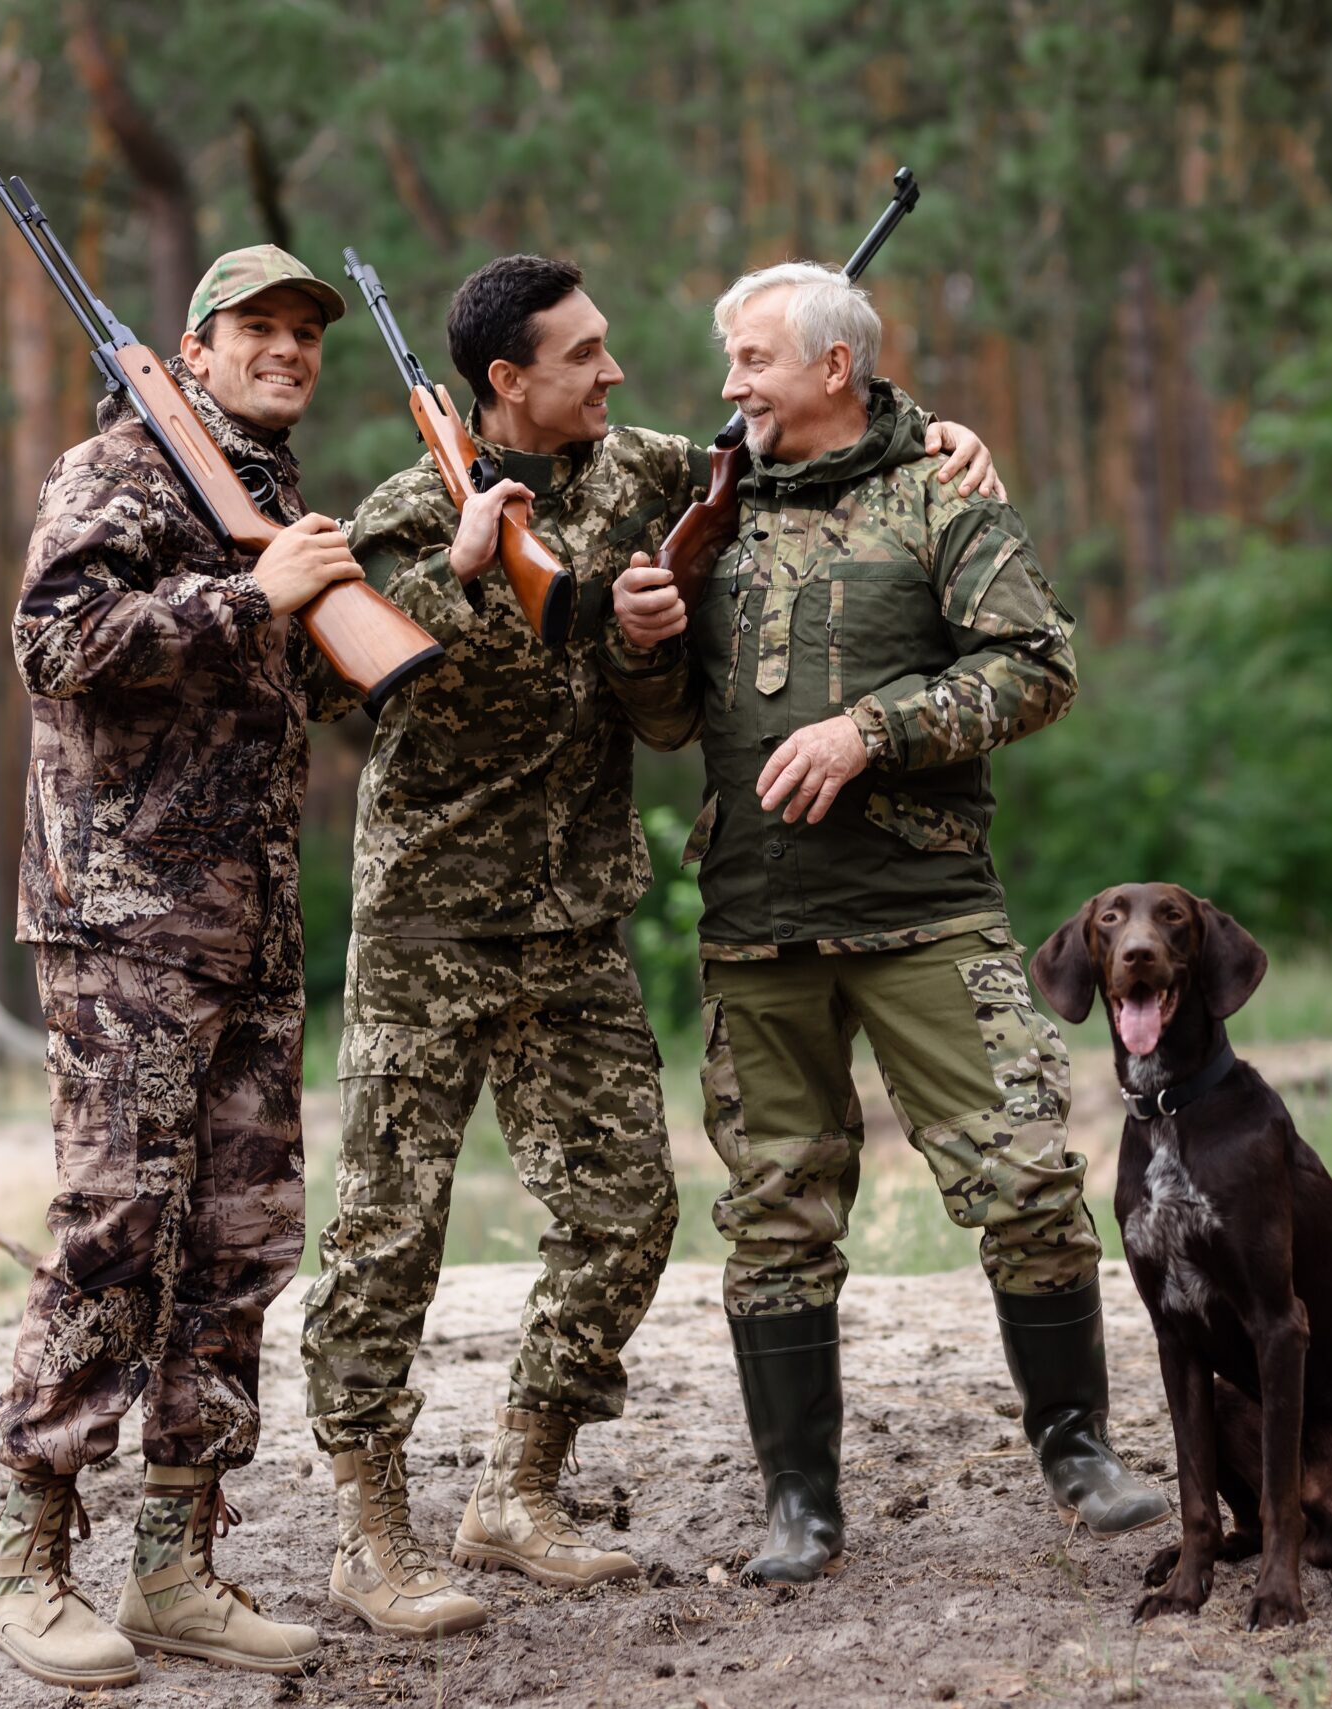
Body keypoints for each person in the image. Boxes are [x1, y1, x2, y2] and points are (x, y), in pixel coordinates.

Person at [298, 253, 1003, 1635]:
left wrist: (935, 431)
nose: (615, 372)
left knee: (629, 1216)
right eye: (584, 355)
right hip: (431, 926)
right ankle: (369, 1530)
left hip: (579, 921)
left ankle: (518, 1485)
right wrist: (460, 579)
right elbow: (344, 690)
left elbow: (791, 444)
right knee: (387, 1236)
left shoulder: (639, 473)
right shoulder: (401, 513)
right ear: (508, 383)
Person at [614, 261, 1167, 1585]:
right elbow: (670, 721)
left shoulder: (942, 492)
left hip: (926, 913)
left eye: (752, 357)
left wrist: (872, 729)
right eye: (728, 357)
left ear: (834, 370)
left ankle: (1078, 1446)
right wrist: (641, 639)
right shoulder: (711, 509)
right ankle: (799, 1501)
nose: (731, 379)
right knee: (775, 1217)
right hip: (757, 926)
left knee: (1027, 1180)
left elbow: (1041, 666)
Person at [0, 246, 371, 1686]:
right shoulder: (114, 473)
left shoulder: (262, 496)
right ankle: (24, 1560)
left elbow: (311, 682)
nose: (286, 349)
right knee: (115, 1229)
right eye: (256, 328)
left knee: (243, 1241)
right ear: (194, 350)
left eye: (303, 333)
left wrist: (332, 594)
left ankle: (177, 1562)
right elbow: (54, 639)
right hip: (124, 922)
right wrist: (251, 595)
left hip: (251, 929)